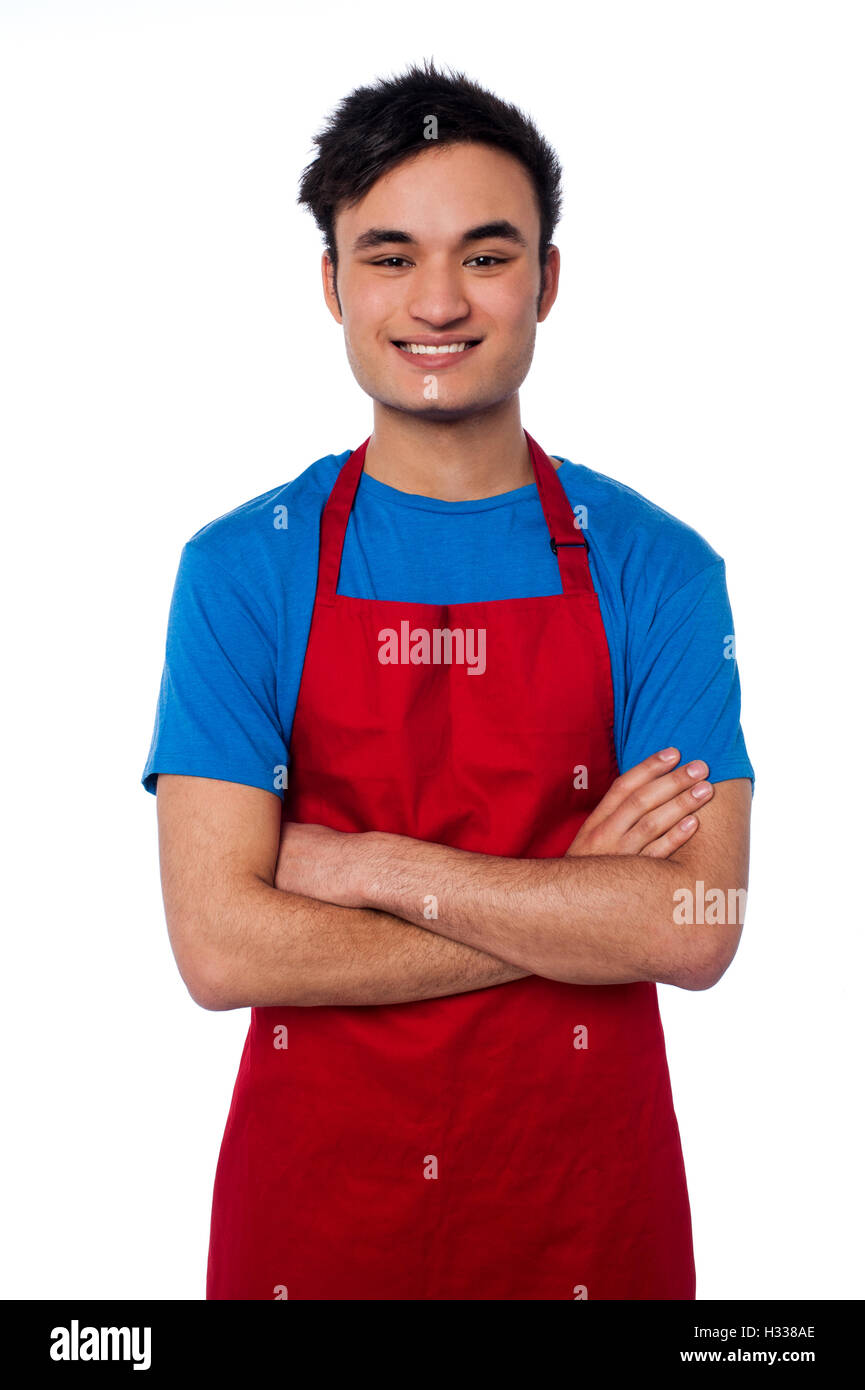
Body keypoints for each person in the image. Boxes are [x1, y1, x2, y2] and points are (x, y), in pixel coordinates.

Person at [142, 59, 754, 1301]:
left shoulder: (661, 570)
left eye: (484, 254)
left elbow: (691, 927)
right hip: (317, 1230)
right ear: (329, 283)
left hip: (587, 1216)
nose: (437, 300)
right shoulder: (241, 572)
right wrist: (570, 899)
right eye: (387, 255)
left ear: (548, 280)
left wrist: (368, 866)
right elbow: (217, 948)